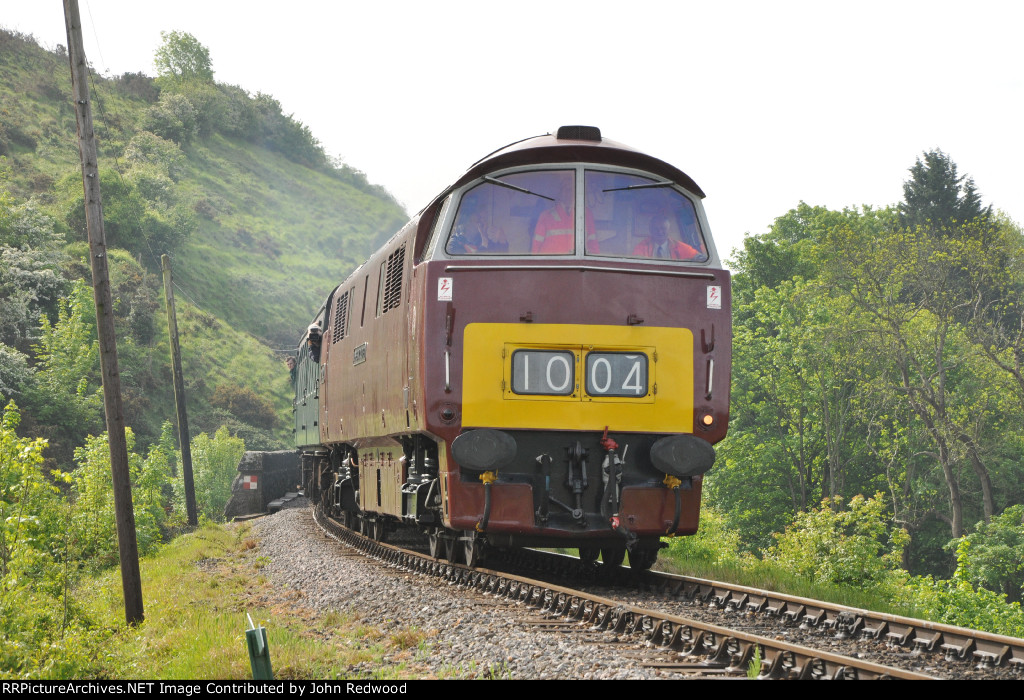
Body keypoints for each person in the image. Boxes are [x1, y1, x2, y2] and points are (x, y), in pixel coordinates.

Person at [531, 178, 599, 254]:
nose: (568, 192)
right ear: (560, 193)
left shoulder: (586, 214)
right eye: (565, 189)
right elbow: (536, 247)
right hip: (552, 261)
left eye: (571, 189)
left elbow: (593, 244)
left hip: (577, 261)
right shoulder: (546, 215)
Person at [632, 215, 700, 260]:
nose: (660, 232)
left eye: (663, 228)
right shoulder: (642, 247)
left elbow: (700, 258)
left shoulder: (679, 246)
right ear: (651, 230)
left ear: (669, 229)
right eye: (656, 229)